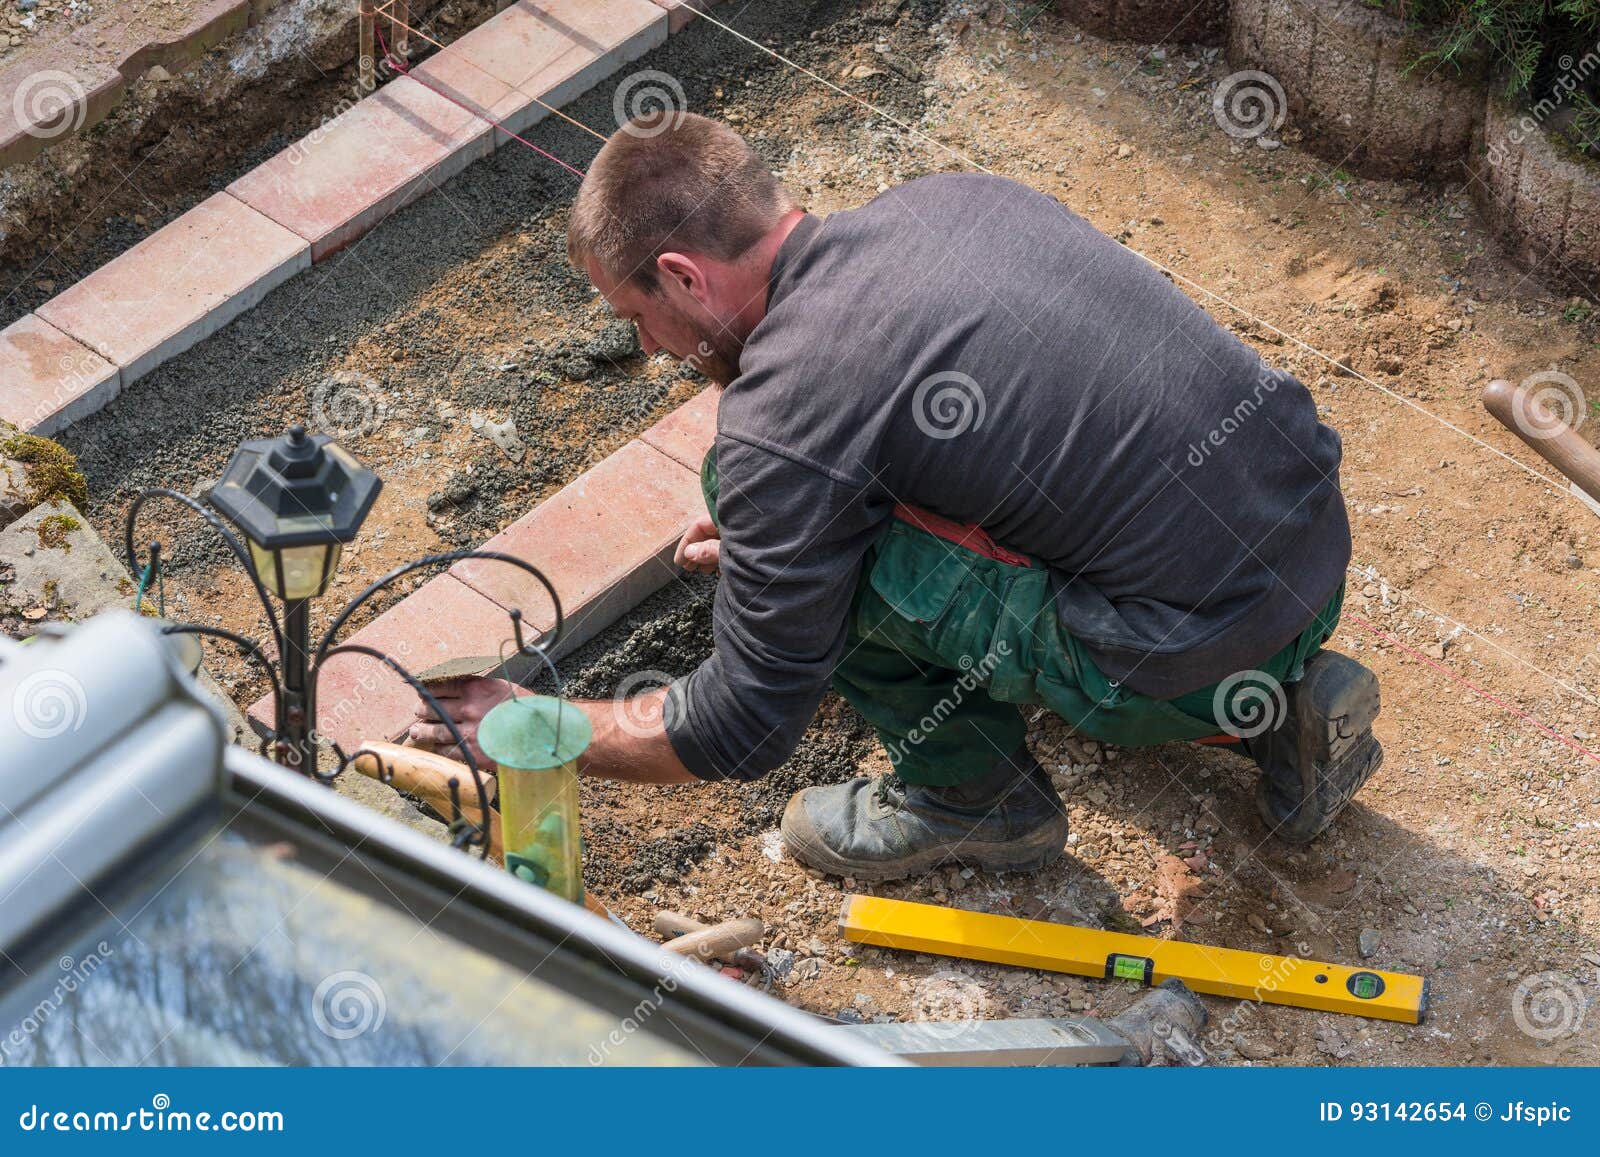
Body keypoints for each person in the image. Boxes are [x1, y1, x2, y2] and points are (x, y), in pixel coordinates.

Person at [410, 112, 1382, 882]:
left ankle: (974, 799)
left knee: (826, 570)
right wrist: (782, 531)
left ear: (682, 277)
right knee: (863, 524)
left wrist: (530, 725)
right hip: (1310, 555)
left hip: (1176, 648)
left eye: (638, 316)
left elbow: (741, 720)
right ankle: (1277, 708)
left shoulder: (783, 412)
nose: (650, 347)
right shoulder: (951, 198)